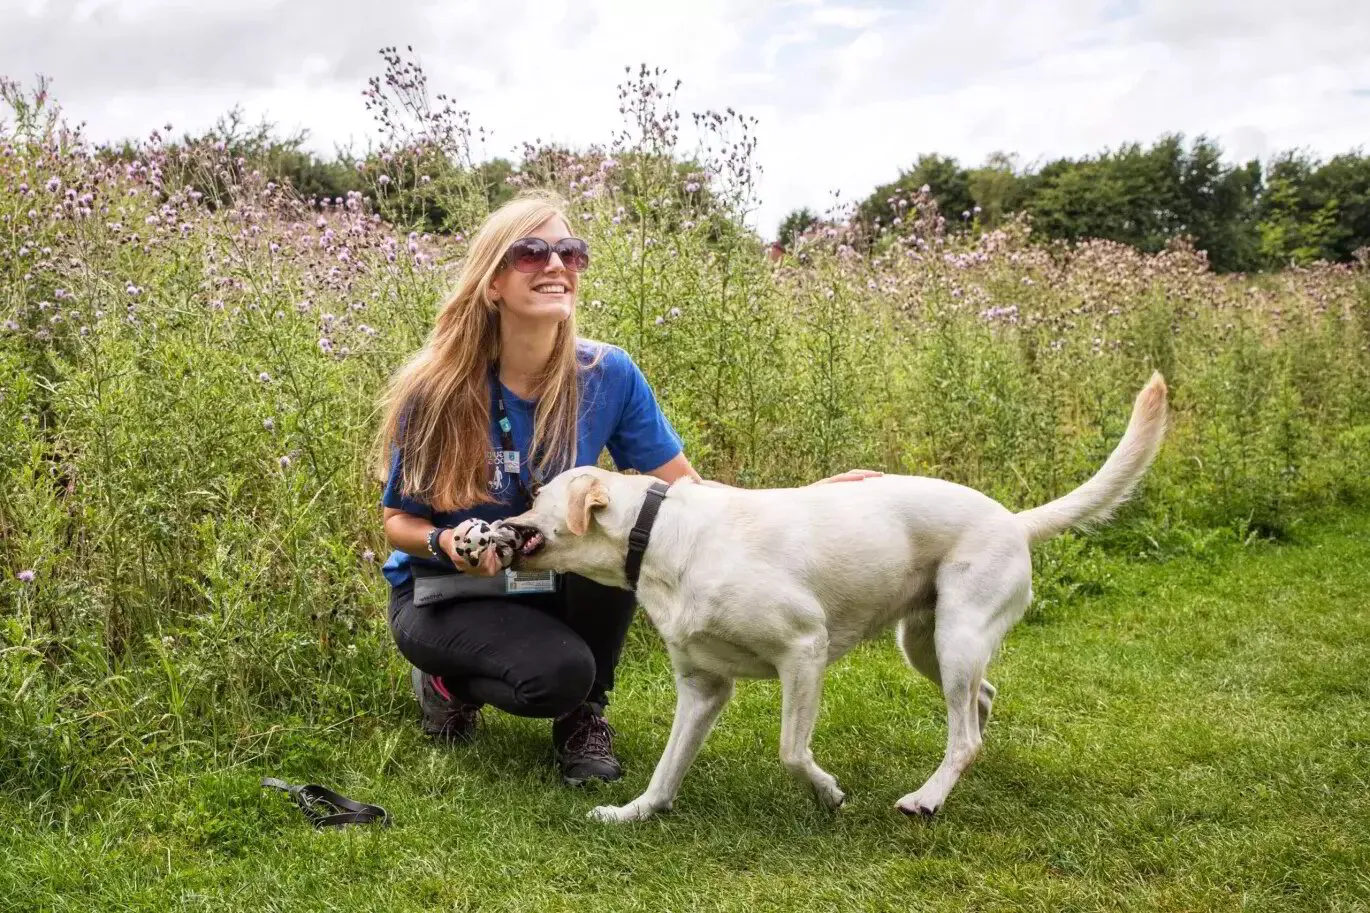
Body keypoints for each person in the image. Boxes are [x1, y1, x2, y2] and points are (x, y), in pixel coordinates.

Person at [374, 191, 878, 785]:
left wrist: (807, 499)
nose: (556, 265)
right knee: (552, 677)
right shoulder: (438, 390)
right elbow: (397, 523)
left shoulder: (606, 374)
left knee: (631, 531)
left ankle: (585, 716)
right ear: (491, 284)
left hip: (547, 574)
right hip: (449, 589)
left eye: (570, 252)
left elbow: (690, 494)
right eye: (532, 253)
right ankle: (445, 682)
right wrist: (448, 542)